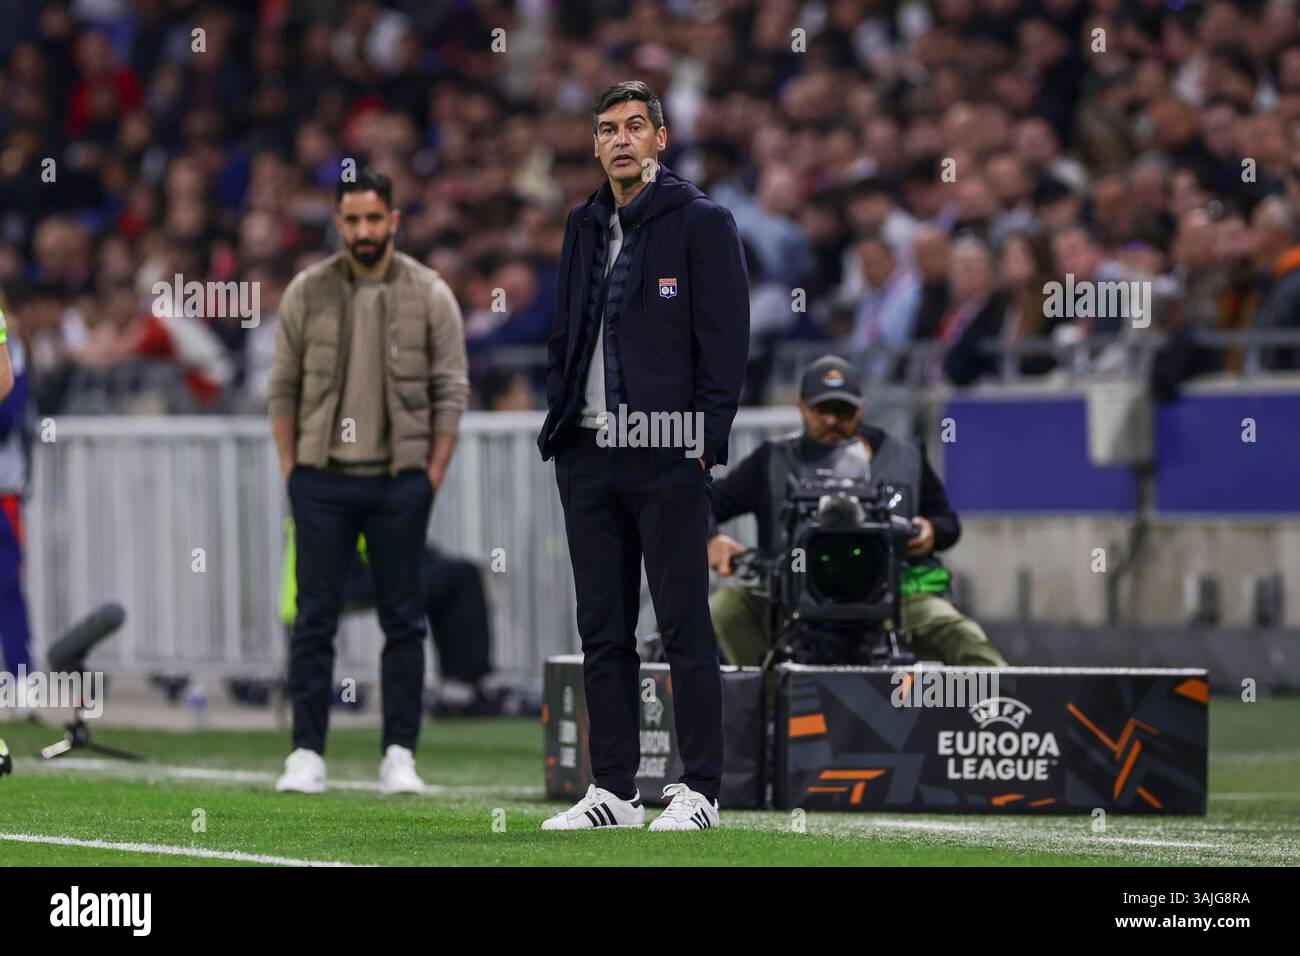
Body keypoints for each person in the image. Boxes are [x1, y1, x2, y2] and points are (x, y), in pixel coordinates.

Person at [536, 81, 748, 831]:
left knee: (685, 624)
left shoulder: (703, 222)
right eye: (607, 129)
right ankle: (615, 791)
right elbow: (567, 332)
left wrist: (704, 446)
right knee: (603, 630)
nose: (620, 139)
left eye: (634, 126)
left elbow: (726, 344)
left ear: (661, 139)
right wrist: (562, 423)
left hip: (666, 452)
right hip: (587, 451)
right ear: (595, 145)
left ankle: (701, 790)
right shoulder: (582, 223)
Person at [266, 169, 469, 794]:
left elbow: (451, 390)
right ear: (338, 222)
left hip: (398, 481)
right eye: (351, 220)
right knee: (314, 619)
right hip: (321, 479)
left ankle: (399, 754)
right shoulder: (307, 291)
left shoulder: (430, 293)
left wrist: (430, 475)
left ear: (394, 221)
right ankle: (306, 753)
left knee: (403, 619)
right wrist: (293, 469)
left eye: (373, 218)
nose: (362, 230)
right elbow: (282, 387)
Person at [707, 355, 1005, 670]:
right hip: (792, 600)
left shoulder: (906, 458)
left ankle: (1008, 696)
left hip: (891, 598)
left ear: (861, 408)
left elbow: (948, 523)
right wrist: (712, 539)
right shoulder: (770, 461)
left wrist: (931, 532)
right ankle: (767, 693)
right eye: (821, 410)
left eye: (843, 411)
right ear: (802, 409)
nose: (832, 421)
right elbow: (705, 504)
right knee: (727, 607)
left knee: (959, 633)